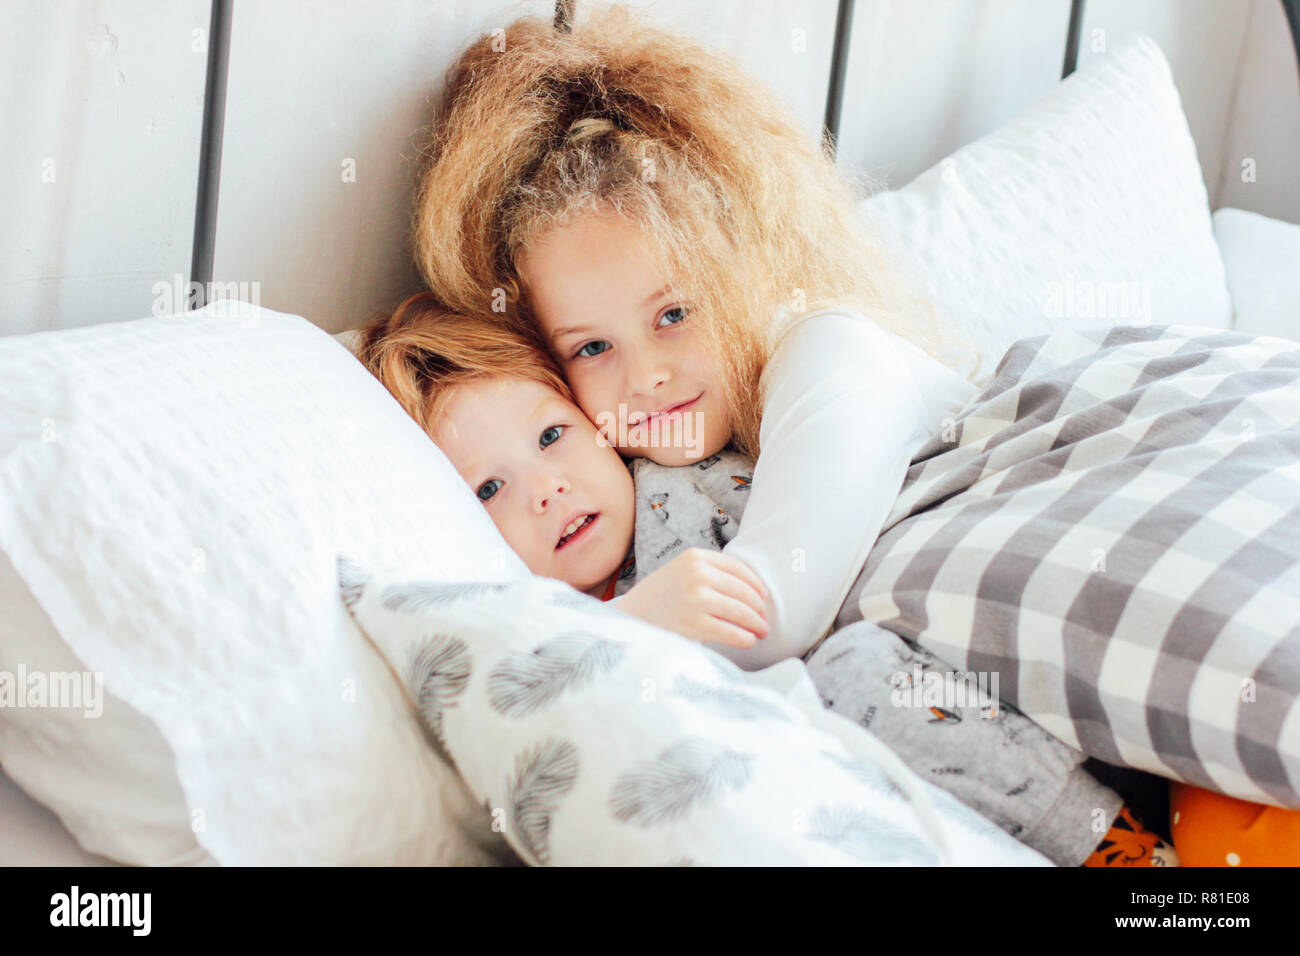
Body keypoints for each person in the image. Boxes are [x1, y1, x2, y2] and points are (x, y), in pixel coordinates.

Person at [356, 293, 1181, 867]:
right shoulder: (537, 628)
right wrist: (635, 621)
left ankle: (1125, 850)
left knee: (862, 671)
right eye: (489, 489)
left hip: (953, 669)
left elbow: (804, 590)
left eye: (552, 435)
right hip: (854, 785)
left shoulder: (690, 478)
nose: (546, 488)